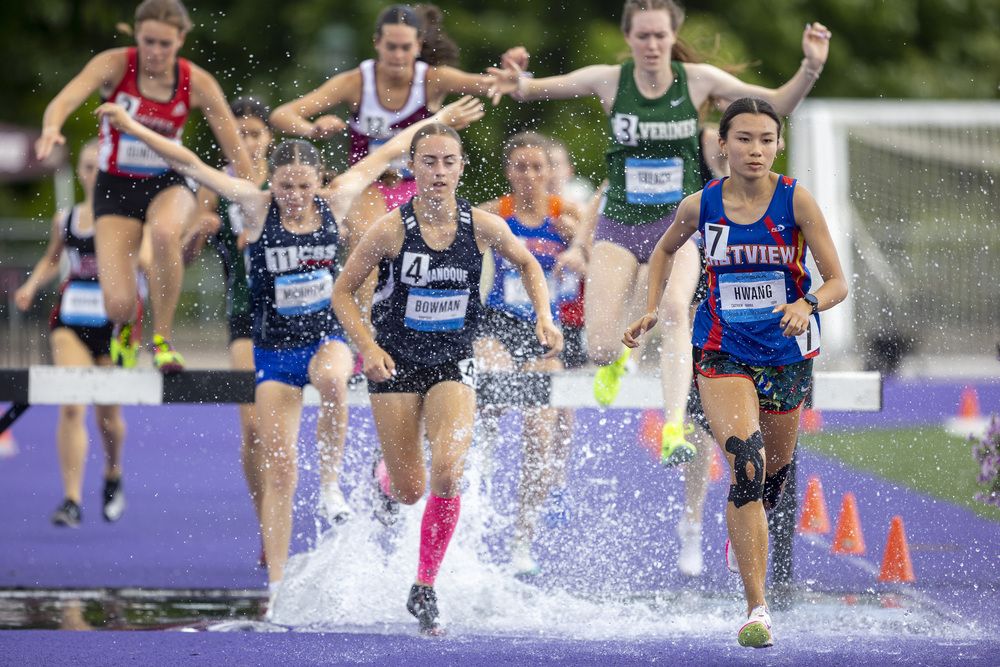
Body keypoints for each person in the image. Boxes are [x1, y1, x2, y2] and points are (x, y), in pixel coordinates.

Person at [96, 95, 485, 604]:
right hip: (274, 350)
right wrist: (129, 125)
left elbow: (388, 151)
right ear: (270, 184)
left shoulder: (337, 198)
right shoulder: (255, 207)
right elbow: (187, 163)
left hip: (326, 339)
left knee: (331, 378)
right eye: (286, 188)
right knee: (279, 467)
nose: (296, 198)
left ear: (319, 181)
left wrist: (438, 122)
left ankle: (330, 487)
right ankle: (276, 587)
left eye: (304, 187)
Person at [490, 0, 831, 467]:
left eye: (660, 37)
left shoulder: (699, 82)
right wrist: (517, 82)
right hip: (619, 228)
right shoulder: (611, 79)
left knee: (674, 310)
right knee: (601, 346)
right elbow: (534, 91)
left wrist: (810, 67)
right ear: (629, 38)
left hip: (681, 225)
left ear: (674, 38)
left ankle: (673, 428)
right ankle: (620, 360)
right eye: (643, 37)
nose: (652, 45)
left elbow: (776, 104)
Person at [623, 98, 848, 647]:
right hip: (722, 350)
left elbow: (838, 282)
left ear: (779, 145)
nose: (755, 149)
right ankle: (756, 608)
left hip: (789, 354)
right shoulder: (701, 206)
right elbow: (662, 252)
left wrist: (808, 305)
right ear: (722, 144)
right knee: (746, 465)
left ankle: (741, 530)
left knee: (772, 472)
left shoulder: (797, 201)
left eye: (766, 139)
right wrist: (653, 307)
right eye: (744, 139)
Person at [332, 123, 563, 635]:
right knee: (411, 490)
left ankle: (424, 586)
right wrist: (367, 348)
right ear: (413, 167)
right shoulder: (391, 229)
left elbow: (529, 265)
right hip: (395, 363)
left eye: (448, 162)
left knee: (450, 470)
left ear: (461, 168)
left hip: (452, 360)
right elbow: (343, 293)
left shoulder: (481, 226)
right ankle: (385, 477)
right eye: (429, 162)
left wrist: (545, 317)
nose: (438, 171)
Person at [35, 0, 253, 373]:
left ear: (181, 39)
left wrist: (252, 199)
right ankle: (128, 324)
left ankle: (163, 340)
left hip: (167, 180)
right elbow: (64, 100)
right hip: (115, 186)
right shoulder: (114, 65)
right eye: (148, 41)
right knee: (117, 304)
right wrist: (52, 127)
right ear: (136, 35)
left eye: (164, 44)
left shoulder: (196, 83)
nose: (155, 52)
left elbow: (238, 154)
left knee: (166, 232)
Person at [271, 4, 525, 225]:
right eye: (391, 47)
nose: (398, 56)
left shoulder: (433, 79)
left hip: (420, 186)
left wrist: (514, 74)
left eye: (406, 47)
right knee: (369, 241)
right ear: (377, 43)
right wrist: (311, 129)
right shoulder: (355, 83)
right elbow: (281, 115)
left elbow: (494, 85)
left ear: (418, 45)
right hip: (369, 186)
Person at [475, 131, 580, 576]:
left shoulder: (566, 215)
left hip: (544, 330)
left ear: (549, 172)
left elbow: (597, 253)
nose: (530, 176)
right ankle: (476, 487)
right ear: (508, 172)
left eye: (537, 167)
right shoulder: (495, 213)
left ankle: (523, 538)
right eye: (520, 167)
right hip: (499, 325)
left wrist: (578, 247)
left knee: (541, 430)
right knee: (491, 395)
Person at [14, 141, 134, 527]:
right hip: (70, 321)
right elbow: (53, 258)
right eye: (87, 167)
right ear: (81, 173)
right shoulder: (66, 219)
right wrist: (32, 286)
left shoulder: (130, 219)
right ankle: (71, 499)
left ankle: (113, 473)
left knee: (108, 418)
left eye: (101, 166)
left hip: (113, 326)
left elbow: (147, 261)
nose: (94, 173)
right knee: (71, 403)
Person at [179, 97, 274, 565]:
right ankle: (266, 526)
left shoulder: (287, 179)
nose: (248, 143)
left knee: (286, 428)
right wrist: (200, 231)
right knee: (254, 430)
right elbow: (183, 259)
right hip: (244, 317)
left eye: (255, 133)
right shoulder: (216, 186)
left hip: (295, 317)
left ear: (269, 138)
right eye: (239, 134)